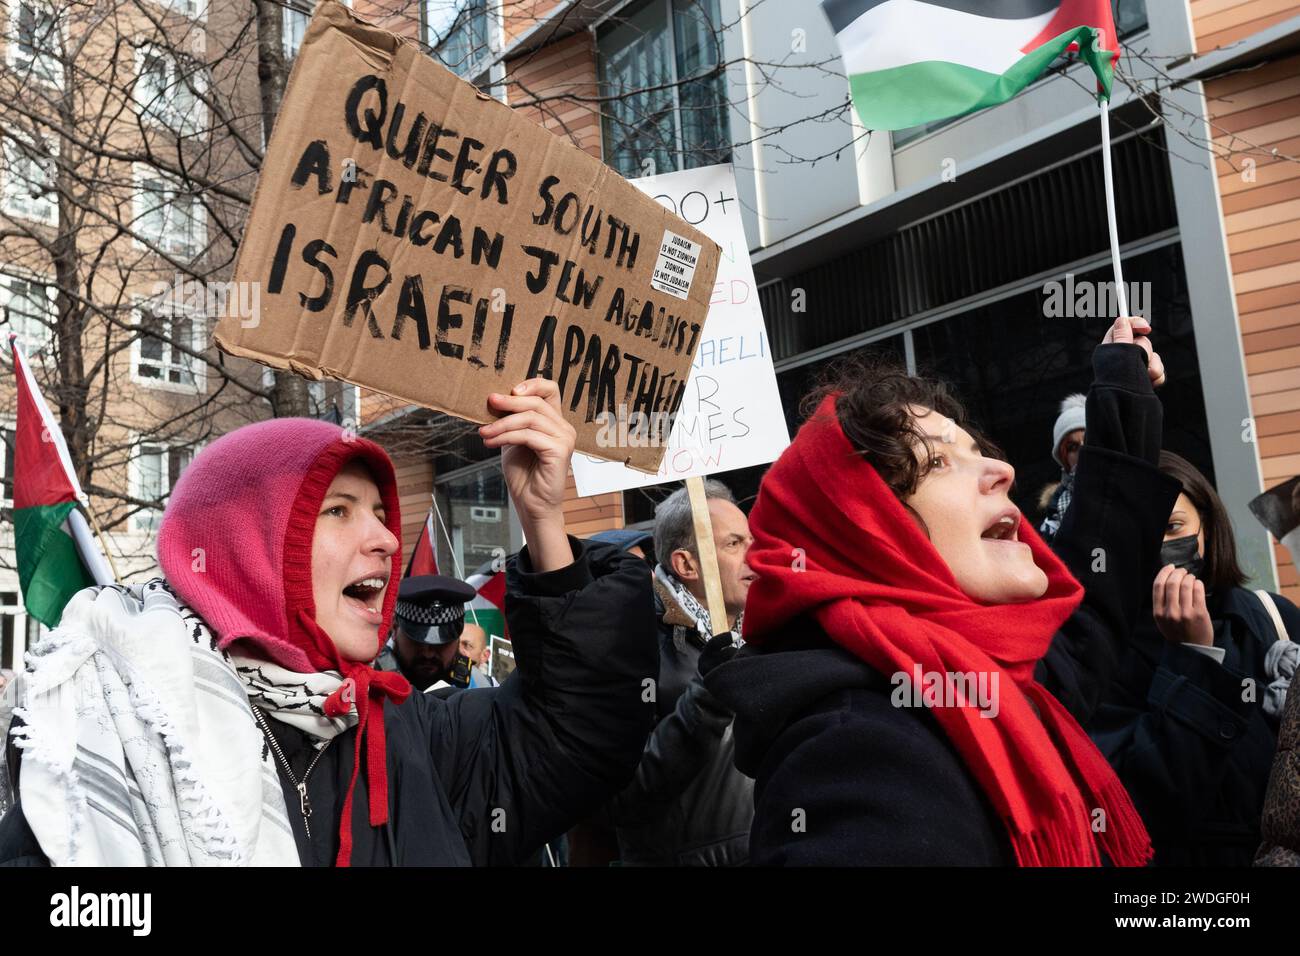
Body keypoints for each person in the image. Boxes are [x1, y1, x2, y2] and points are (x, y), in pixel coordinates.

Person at [0, 379, 657, 867]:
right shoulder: (98, 745)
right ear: (244, 549)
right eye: (339, 511)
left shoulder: (414, 735)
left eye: (379, 511)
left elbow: (581, 734)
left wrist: (543, 518)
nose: (385, 539)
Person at [706, 317, 1174, 866]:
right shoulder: (858, 756)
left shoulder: (983, 682)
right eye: (936, 461)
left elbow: (1089, 620)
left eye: (979, 452)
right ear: (869, 534)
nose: (1002, 469)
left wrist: (1123, 398)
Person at [1087, 451, 1300, 866]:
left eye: (1173, 527)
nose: (1159, 547)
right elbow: (1146, 806)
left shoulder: (1272, 615)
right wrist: (1195, 658)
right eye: (1139, 533)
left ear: (1206, 523)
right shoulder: (1099, 657)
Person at [608, 480, 756, 866]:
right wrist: (709, 698)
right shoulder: (629, 645)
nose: (755, 557)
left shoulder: (765, 634)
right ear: (685, 564)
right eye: (734, 544)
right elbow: (625, 794)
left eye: (753, 541)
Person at [373, 575, 484, 692]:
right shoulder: (367, 685)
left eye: (441, 644)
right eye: (416, 641)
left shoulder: (482, 687)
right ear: (394, 629)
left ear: (457, 637)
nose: (428, 654)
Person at [1038, 393, 1086, 541]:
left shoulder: (1129, 486)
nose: (1083, 450)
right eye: (1072, 447)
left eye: (1089, 440)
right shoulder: (1054, 519)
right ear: (1063, 459)